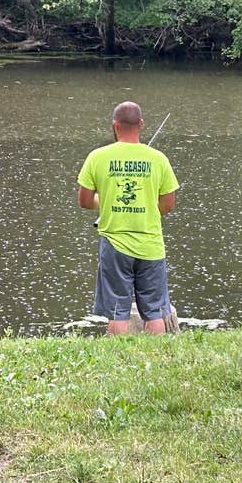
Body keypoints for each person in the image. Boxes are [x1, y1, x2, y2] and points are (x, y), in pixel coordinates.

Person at [77, 101, 179, 335]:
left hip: (114, 245)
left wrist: (106, 201)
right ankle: (157, 352)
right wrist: (146, 208)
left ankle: (119, 353)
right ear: (141, 124)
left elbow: (84, 201)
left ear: (115, 125)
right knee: (155, 311)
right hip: (151, 245)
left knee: (116, 310)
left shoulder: (97, 157)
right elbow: (168, 204)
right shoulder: (159, 159)